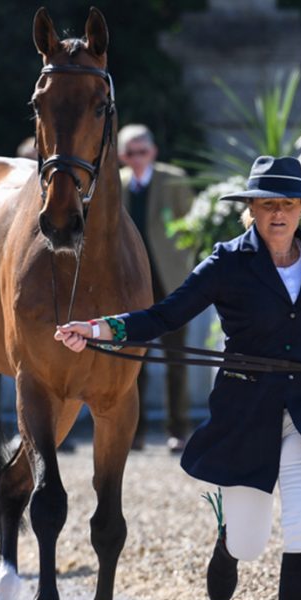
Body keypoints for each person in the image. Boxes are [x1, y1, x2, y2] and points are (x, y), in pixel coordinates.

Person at [56, 156, 301, 600]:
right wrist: (102, 329)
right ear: (251, 212)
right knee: (248, 540)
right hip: (247, 415)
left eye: (287, 205)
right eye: (268, 205)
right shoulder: (227, 263)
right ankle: (228, 543)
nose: (278, 214)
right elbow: (164, 315)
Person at [117, 123, 196, 453]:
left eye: (142, 151)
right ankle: (134, 432)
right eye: (130, 152)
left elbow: (192, 224)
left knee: (176, 358)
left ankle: (178, 428)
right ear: (122, 156)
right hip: (131, 282)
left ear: (153, 151)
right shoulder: (116, 183)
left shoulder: (173, 179)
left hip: (169, 279)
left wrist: (184, 262)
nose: (137, 158)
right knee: (133, 360)